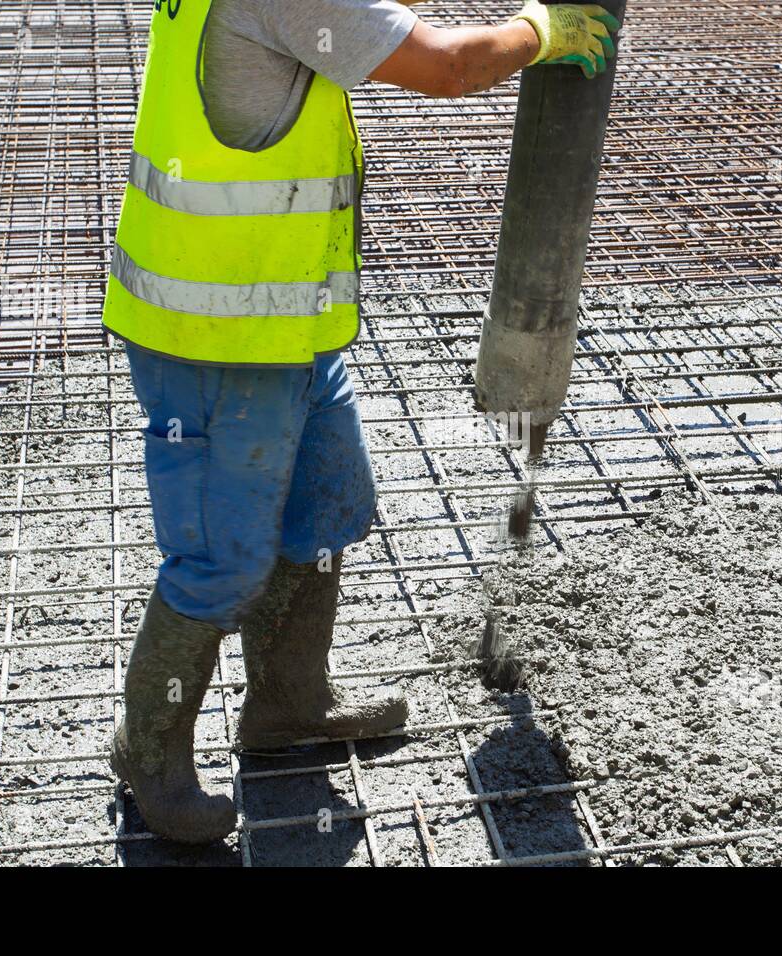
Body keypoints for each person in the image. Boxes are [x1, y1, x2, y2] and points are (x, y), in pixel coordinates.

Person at [102, 0, 620, 843]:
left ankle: (288, 706)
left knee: (323, 510)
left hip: (283, 324)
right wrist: (543, 29)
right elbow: (448, 66)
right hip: (214, 343)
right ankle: (149, 750)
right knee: (218, 560)